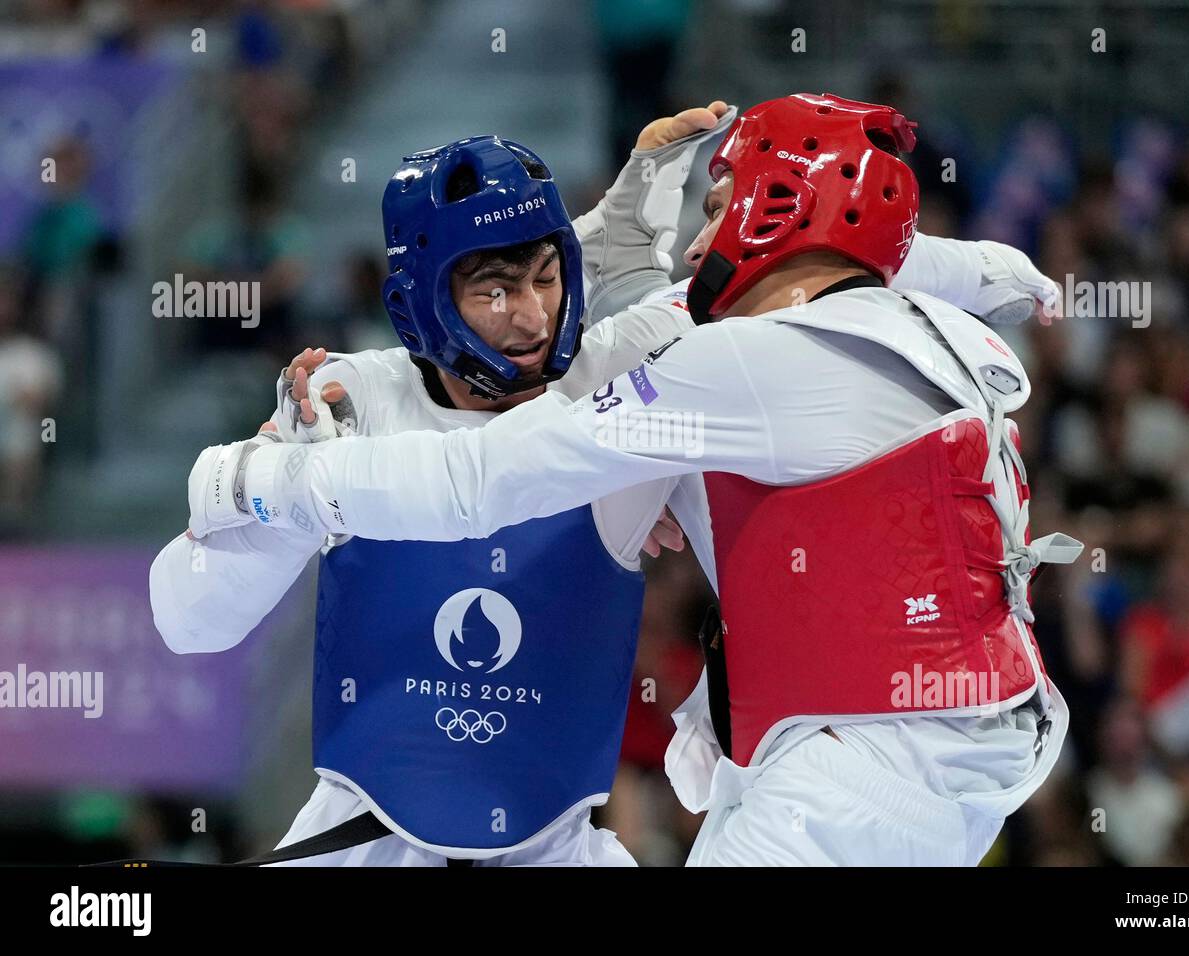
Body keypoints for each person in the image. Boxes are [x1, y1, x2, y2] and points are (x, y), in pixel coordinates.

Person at [181, 93, 1071, 866]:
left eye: (719, 205)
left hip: (862, 775)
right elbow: (805, 264)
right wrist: (989, 266)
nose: (698, 245)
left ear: (777, 213)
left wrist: (265, 479)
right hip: (971, 740)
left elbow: (481, 476)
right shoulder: (942, 330)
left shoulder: (752, 362)